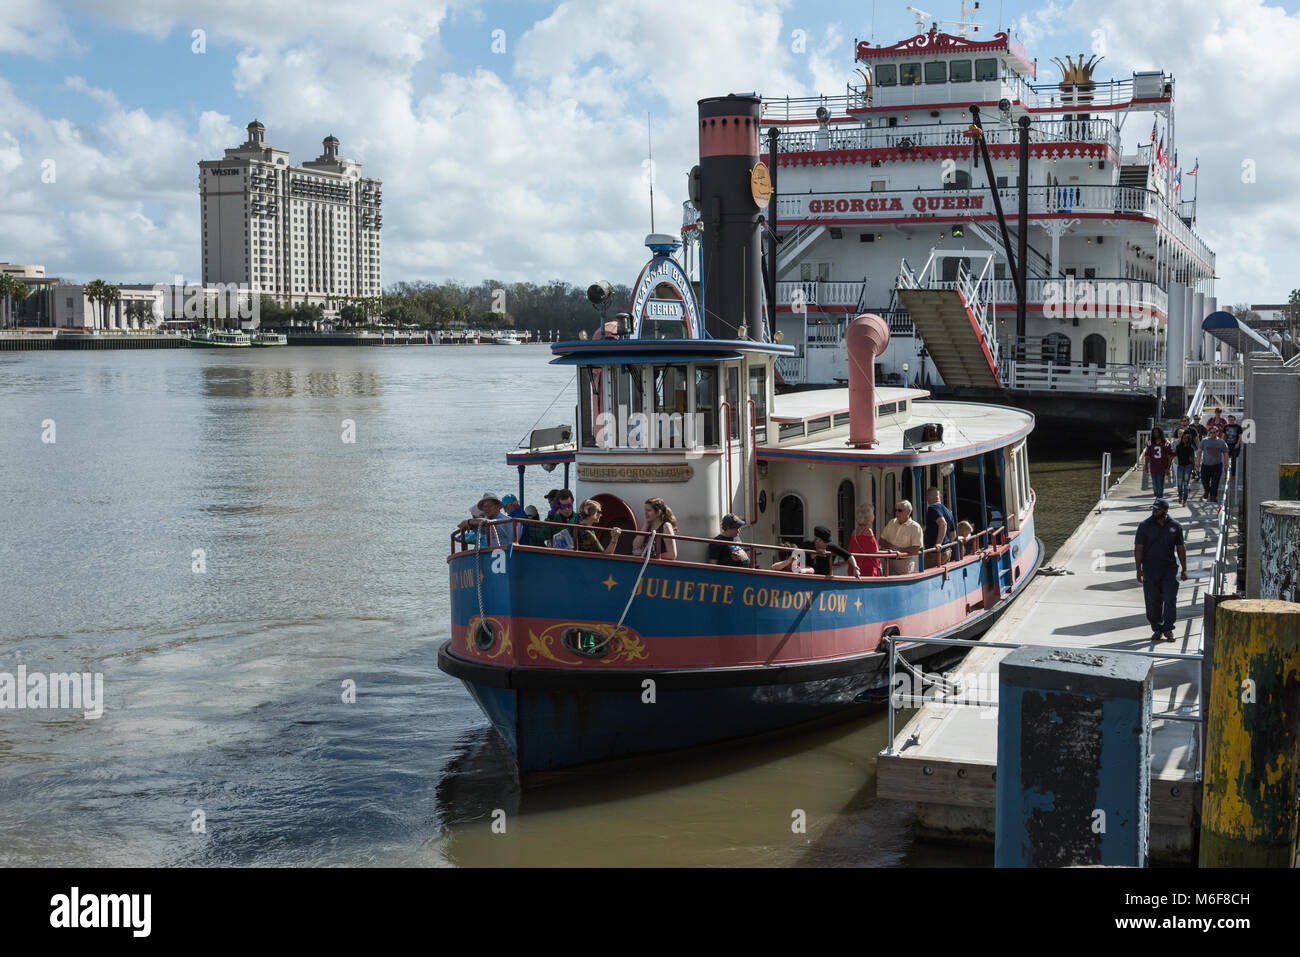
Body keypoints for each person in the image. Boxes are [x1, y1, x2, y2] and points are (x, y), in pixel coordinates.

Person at [1134, 498, 1188, 641]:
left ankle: (1168, 629)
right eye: (1154, 509)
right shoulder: (1144, 526)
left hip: (1169, 568)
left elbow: (1180, 548)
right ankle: (1156, 628)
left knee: (1170, 598)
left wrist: (1184, 569)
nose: (1154, 511)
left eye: (1157, 509)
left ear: (1165, 510)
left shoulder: (1175, 526)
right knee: (1152, 600)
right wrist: (1138, 569)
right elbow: (1138, 548)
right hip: (1150, 569)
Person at [879, 499, 924, 574]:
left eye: (900, 510)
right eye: (895, 510)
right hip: (888, 561)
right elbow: (881, 540)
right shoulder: (891, 522)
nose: (896, 512)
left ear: (908, 511)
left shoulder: (915, 527)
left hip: (904, 563)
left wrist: (899, 550)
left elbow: (916, 548)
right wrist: (892, 547)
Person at [922, 486, 959, 568]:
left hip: (935, 554)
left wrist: (939, 543)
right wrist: (946, 545)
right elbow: (953, 534)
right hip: (946, 551)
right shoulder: (947, 511)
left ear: (927, 497)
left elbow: (943, 524)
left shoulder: (932, 508)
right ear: (940, 496)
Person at [1196, 427, 1230, 503]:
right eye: (1211, 432)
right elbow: (1199, 452)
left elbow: (1225, 453)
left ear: (1217, 433)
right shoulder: (1204, 441)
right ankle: (1207, 491)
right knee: (1204, 481)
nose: (1212, 434)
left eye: (1214, 432)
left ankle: (1213, 497)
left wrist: (1226, 464)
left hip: (1217, 465)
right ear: (1208, 432)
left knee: (1215, 482)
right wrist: (1197, 462)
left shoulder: (1221, 442)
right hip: (1206, 465)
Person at [847, 504, 882, 577]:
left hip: (855, 567)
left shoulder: (854, 532)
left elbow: (850, 550)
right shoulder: (868, 532)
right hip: (867, 569)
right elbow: (874, 553)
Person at [1142, 427, 1173, 499]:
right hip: (1153, 466)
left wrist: (1168, 468)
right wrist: (1146, 466)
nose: (1156, 434)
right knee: (1155, 486)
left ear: (1160, 433)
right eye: (1154, 432)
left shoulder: (1166, 443)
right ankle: (1157, 497)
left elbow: (1170, 457)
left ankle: (1159, 499)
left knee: (1160, 484)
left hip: (1162, 467)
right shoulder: (1150, 443)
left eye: (1157, 432)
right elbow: (1147, 456)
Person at [1173, 429, 1197, 507]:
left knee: (1186, 483)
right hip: (1180, 466)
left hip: (1188, 466)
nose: (1185, 440)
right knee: (1179, 483)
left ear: (1188, 439)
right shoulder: (1178, 447)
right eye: (1183, 438)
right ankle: (1180, 495)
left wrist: (1194, 469)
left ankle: (1185, 499)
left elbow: (1193, 459)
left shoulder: (1191, 448)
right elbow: (1173, 456)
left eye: (1186, 438)